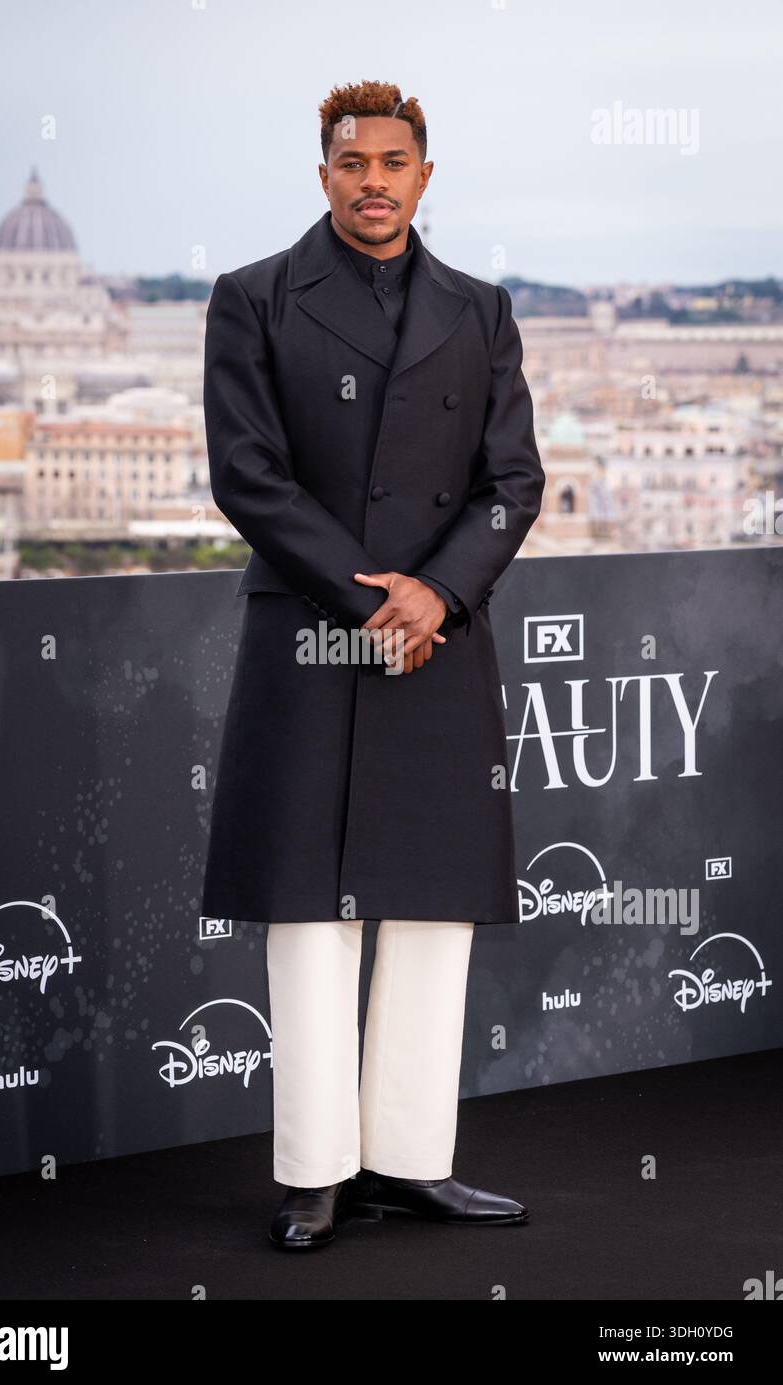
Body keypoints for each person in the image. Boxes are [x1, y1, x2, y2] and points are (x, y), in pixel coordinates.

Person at [201, 79, 546, 1249]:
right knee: (308, 914)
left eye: (394, 163)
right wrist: (372, 596)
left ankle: (407, 1159)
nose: (374, 182)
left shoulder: (482, 308)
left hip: (437, 635)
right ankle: (314, 1173)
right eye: (352, 164)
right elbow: (248, 477)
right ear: (323, 174)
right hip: (310, 631)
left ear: (424, 175)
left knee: (430, 907)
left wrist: (436, 592)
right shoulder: (250, 299)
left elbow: (514, 482)